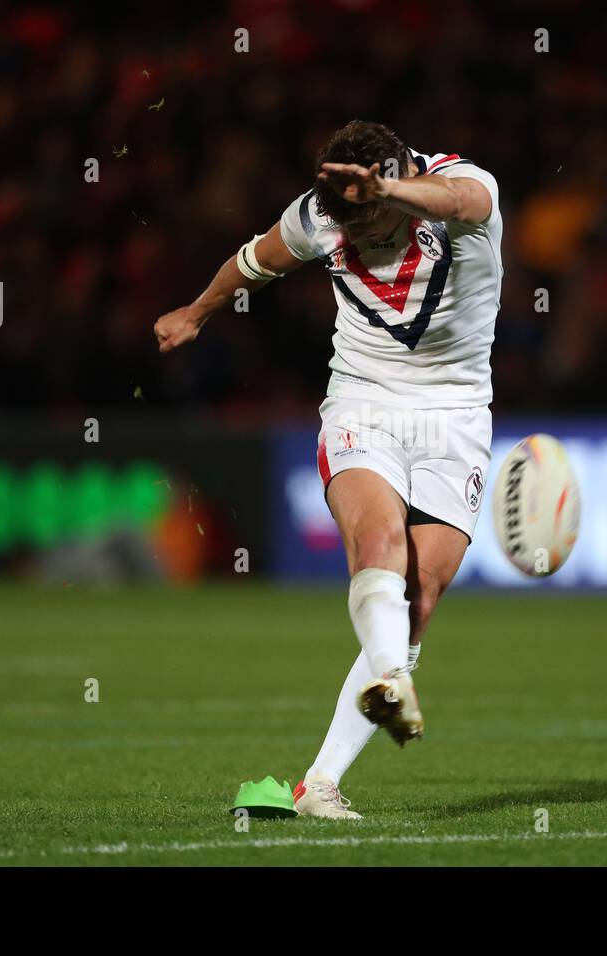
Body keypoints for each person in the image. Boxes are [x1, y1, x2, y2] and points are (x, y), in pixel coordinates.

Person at [154, 120, 503, 819]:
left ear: (398, 178)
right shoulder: (323, 214)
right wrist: (197, 312)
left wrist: (394, 192)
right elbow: (255, 259)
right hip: (363, 403)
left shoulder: (463, 188)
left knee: (421, 594)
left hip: (456, 414)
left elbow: (463, 204)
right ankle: (393, 679)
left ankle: (317, 785)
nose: (365, 237)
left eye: (373, 219)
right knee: (378, 541)